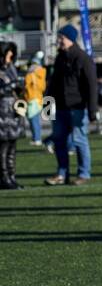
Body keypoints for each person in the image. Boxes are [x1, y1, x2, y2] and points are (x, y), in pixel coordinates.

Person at [45, 25, 96, 186]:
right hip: (59, 107)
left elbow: (91, 85)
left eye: (62, 38)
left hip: (77, 108)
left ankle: (84, 173)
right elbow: (52, 84)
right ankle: (62, 173)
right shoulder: (60, 58)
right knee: (59, 141)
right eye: (59, 37)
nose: (58, 41)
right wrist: (47, 107)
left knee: (80, 140)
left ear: (71, 39)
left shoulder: (82, 58)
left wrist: (93, 110)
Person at [0, 42, 23, 189]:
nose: (10, 56)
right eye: (8, 53)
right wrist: (9, 88)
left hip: (13, 111)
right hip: (2, 111)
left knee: (12, 145)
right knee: (3, 146)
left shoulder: (12, 68)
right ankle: (4, 177)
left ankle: (12, 175)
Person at [23, 50, 45, 145]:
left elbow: (27, 85)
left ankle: (37, 138)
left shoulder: (32, 74)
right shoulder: (41, 73)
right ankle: (36, 137)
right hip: (37, 98)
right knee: (33, 119)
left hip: (32, 98)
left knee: (33, 120)